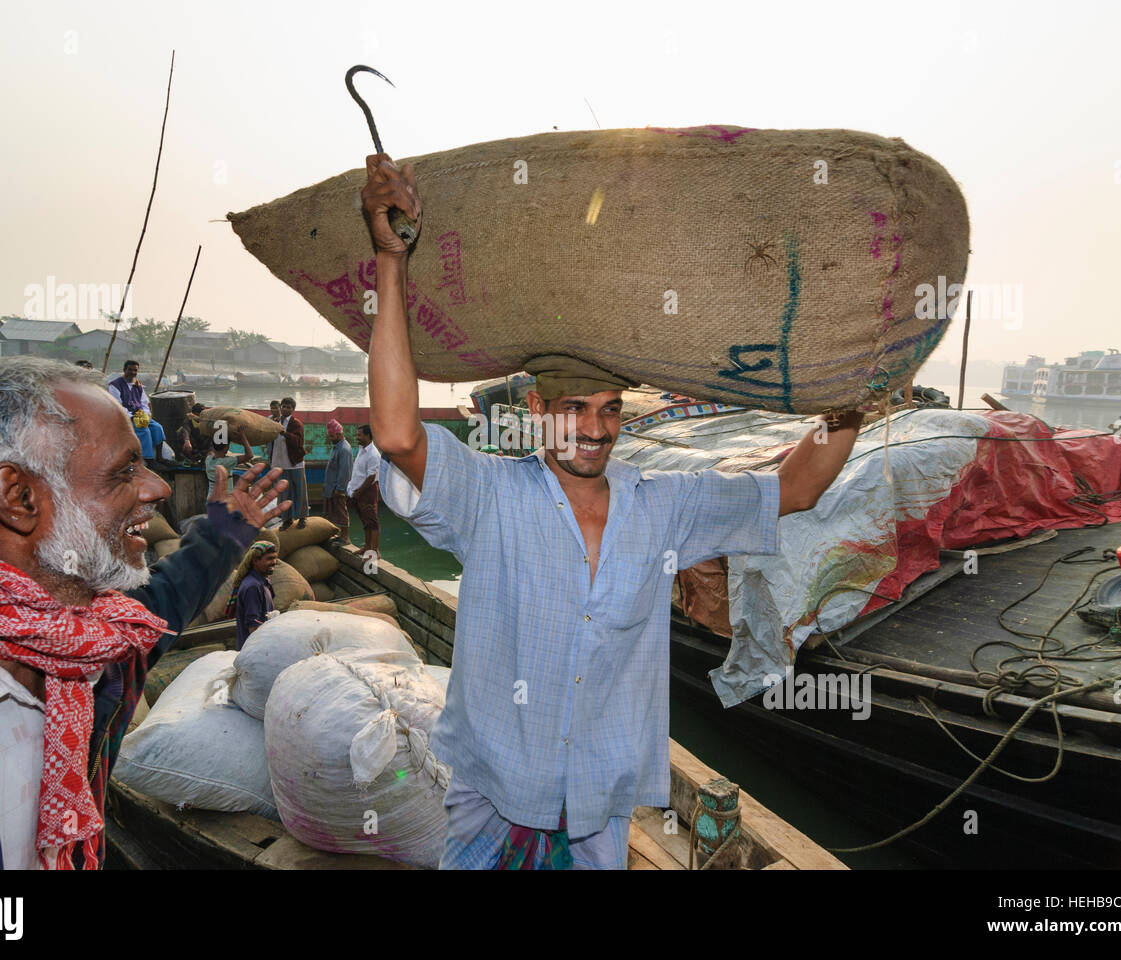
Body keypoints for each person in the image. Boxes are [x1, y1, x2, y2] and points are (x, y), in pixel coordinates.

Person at [360, 153, 864, 870]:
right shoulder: (491, 497)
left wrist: (853, 398)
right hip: (493, 792)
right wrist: (390, 260)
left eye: (609, 412)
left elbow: (797, 487)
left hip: (600, 805)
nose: (596, 431)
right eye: (574, 411)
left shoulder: (663, 507)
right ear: (534, 410)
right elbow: (398, 435)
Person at [0, 357, 289, 869]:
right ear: (18, 497)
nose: (157, 488)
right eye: (124, 471)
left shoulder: (104, 640)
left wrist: (228, 531)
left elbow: (173, 593)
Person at [108, 360, 170, 466]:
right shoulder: (115, 385)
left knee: (157, 427)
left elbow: (144, 402)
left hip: (140, 415)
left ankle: (160, 457)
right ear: (124, 370)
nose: (132, 372)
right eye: (130, 370)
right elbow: (117, 406)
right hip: (125, 416)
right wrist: (132, 417)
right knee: (144, 430)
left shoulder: (138, 385)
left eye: (135, 370)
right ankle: (149, 459)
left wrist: (145, 415)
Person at [230, 541, 278, 650]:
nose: (274, 562)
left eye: (275, 558)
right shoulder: (252, 587)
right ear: (255, 561)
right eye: (269, 558)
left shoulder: (263, 582)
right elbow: (253, 626)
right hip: (255, 650)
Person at [272, 397, 309, 527]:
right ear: (280, 407)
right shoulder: (275, 421)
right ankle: (286, 519)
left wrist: (285, 433)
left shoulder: (296, 423)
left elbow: (298, 442)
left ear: (293, 409)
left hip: (294, 464)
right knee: (284, 493)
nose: (285, 409)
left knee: (299, 491)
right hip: (280, 463)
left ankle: (302, 517)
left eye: (288, 407)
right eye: (283, 406)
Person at [347, 423, 381, 555]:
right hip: (358, 491)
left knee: (372, 522)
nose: (357, 437)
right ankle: (367, 547)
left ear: (368, 435)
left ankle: (375, 550)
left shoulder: (373, 454)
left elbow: (371, 477)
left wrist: (359, 492)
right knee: (365, 521)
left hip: (367, 491)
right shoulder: (362, 450)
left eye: (359, 435)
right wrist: (352, 490)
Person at [323, 418, 353, 538]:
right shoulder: (338, 447)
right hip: (331, 487)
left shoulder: (344, 449)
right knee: (332, 513)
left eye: (332, 436)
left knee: (341, 513)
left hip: (337, 489)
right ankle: (337, 536)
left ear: (339, 434)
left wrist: (340, 489)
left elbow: (345, 472)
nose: (330, 439)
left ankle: (345, 538)